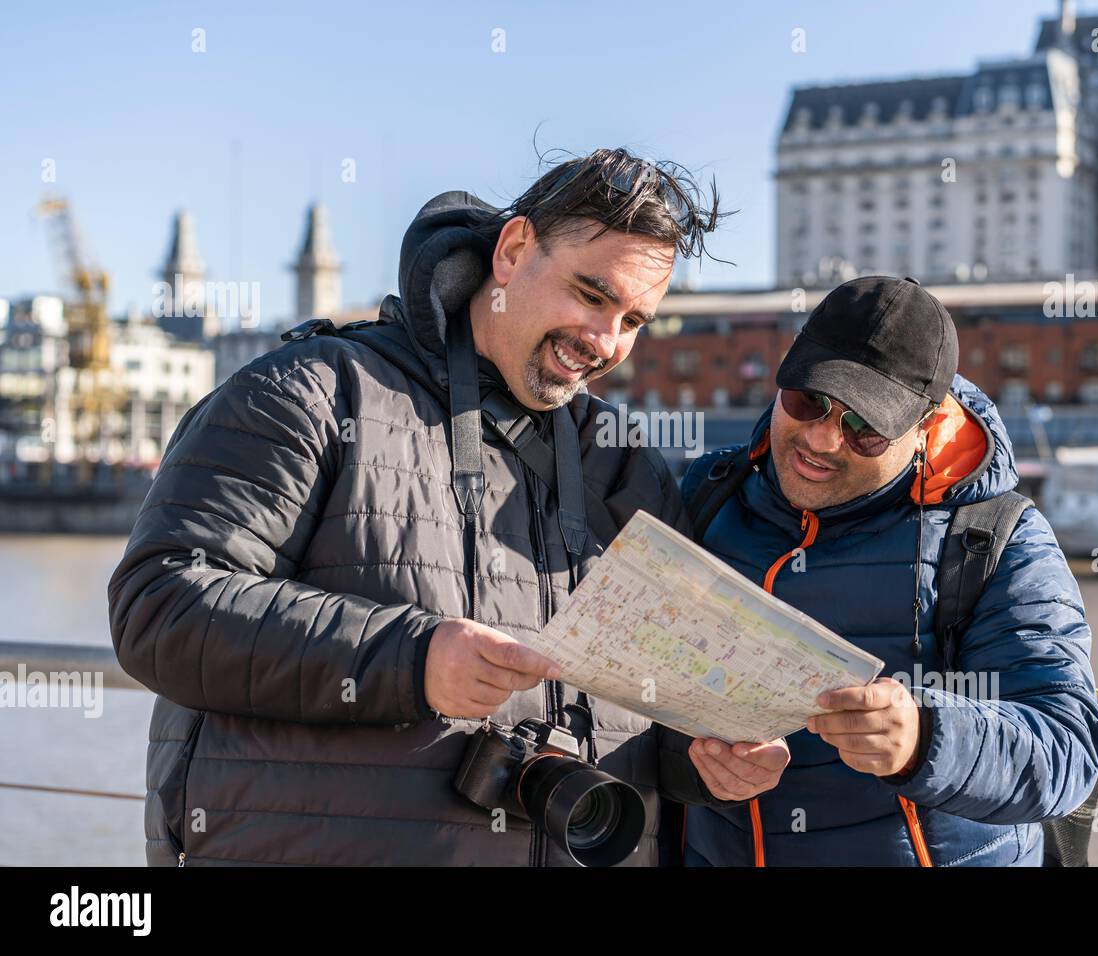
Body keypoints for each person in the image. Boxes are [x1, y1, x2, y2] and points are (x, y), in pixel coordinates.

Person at [108, 147, 789, 866]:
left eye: (634, 320)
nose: (606, 342)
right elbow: (159, 607)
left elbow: (659, 702)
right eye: (592, 296)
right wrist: (412, 660)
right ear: (514, 249)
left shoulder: (627, 464)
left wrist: (705, 759)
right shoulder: (309, 393)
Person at [679, 275, 1098, 866]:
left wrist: (925, 737)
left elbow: (1067, 751)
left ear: (925, 429)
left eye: (865, 428)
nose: (823, 439)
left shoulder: (995, 537)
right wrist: (693, 765)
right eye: (808, 401)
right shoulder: (707, 494)